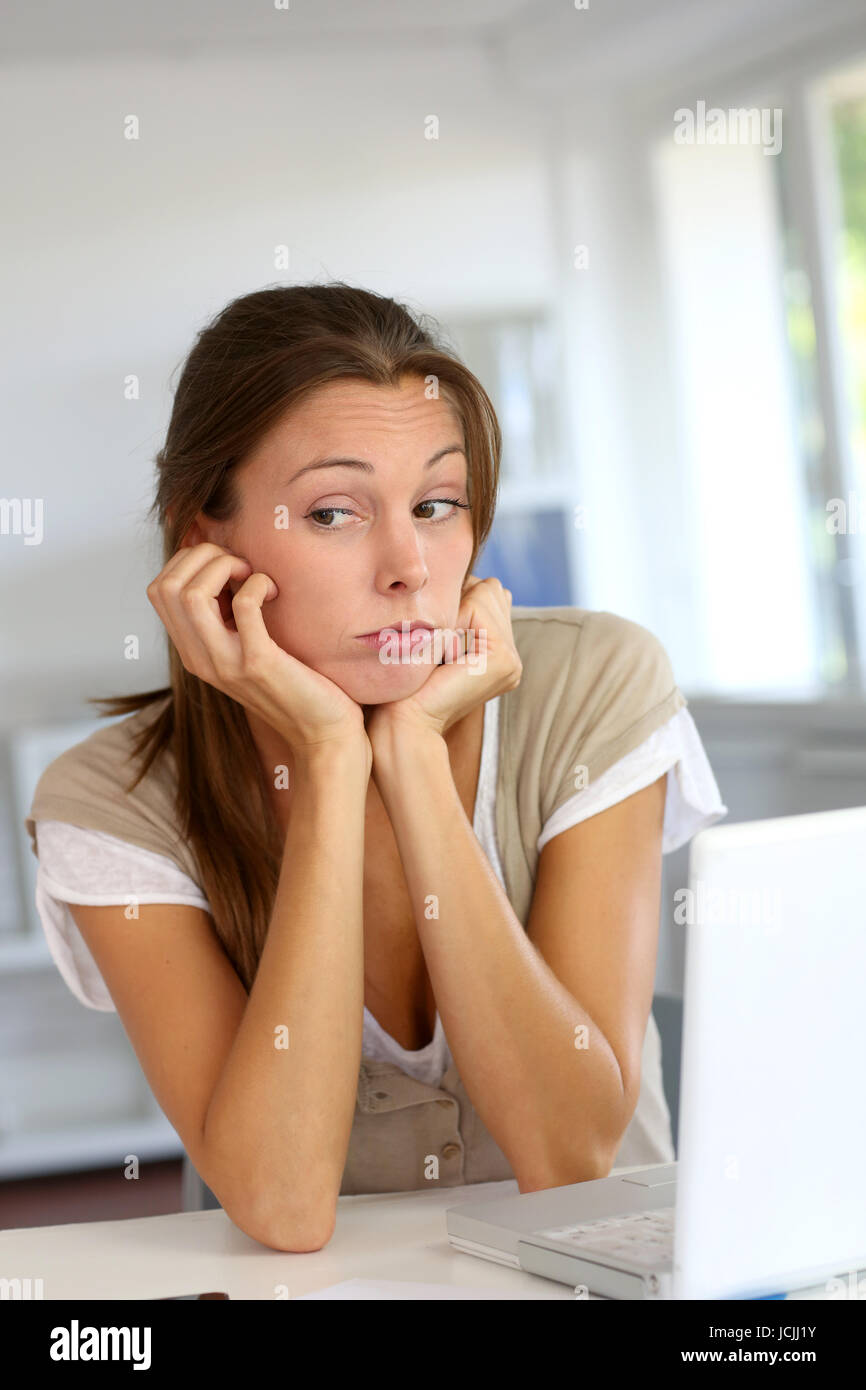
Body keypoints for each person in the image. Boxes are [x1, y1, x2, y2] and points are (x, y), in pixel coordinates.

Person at [25, 282, 726, 1253]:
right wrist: (324, 754)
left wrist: (412, 759)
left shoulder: (592, 685)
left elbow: (569, 1156)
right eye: (333, 514)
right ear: (205, 537)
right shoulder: (110, 804)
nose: (407, 564)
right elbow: (281, 1204)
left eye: (436, 504)